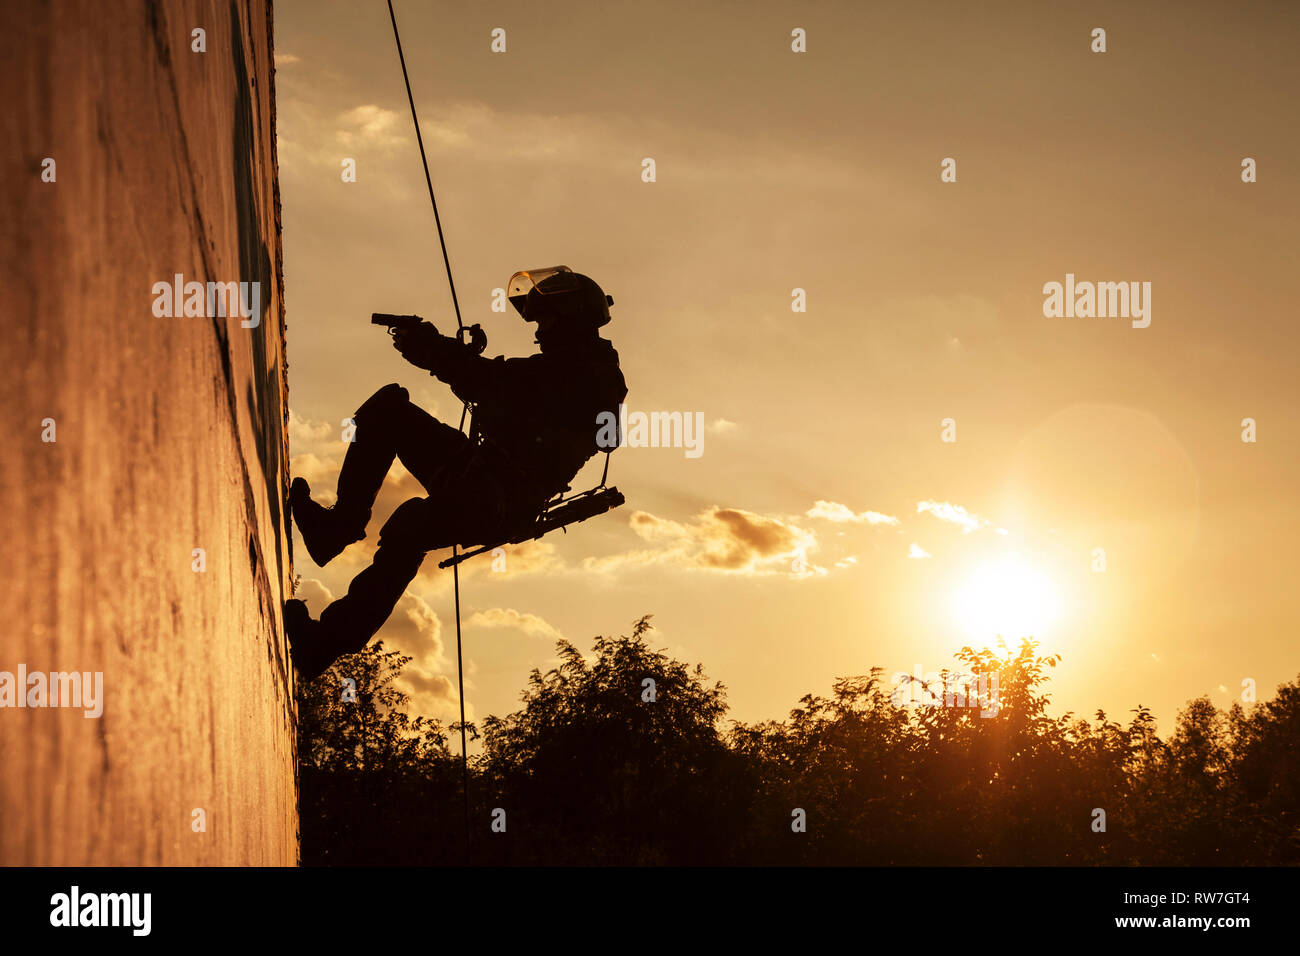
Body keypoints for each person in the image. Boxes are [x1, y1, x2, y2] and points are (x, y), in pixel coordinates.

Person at [283, 267, 628, 680]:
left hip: (498, 499)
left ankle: (324, 644)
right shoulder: (570, 369)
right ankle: (336, 528)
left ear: (571, 319)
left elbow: (495, 385)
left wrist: (434, 350)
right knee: (389, 410)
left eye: (546, 320)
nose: (539, 331)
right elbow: (498, 386)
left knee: (409, 527)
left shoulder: (586, 375)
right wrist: (444, 354)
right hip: (481, 472)